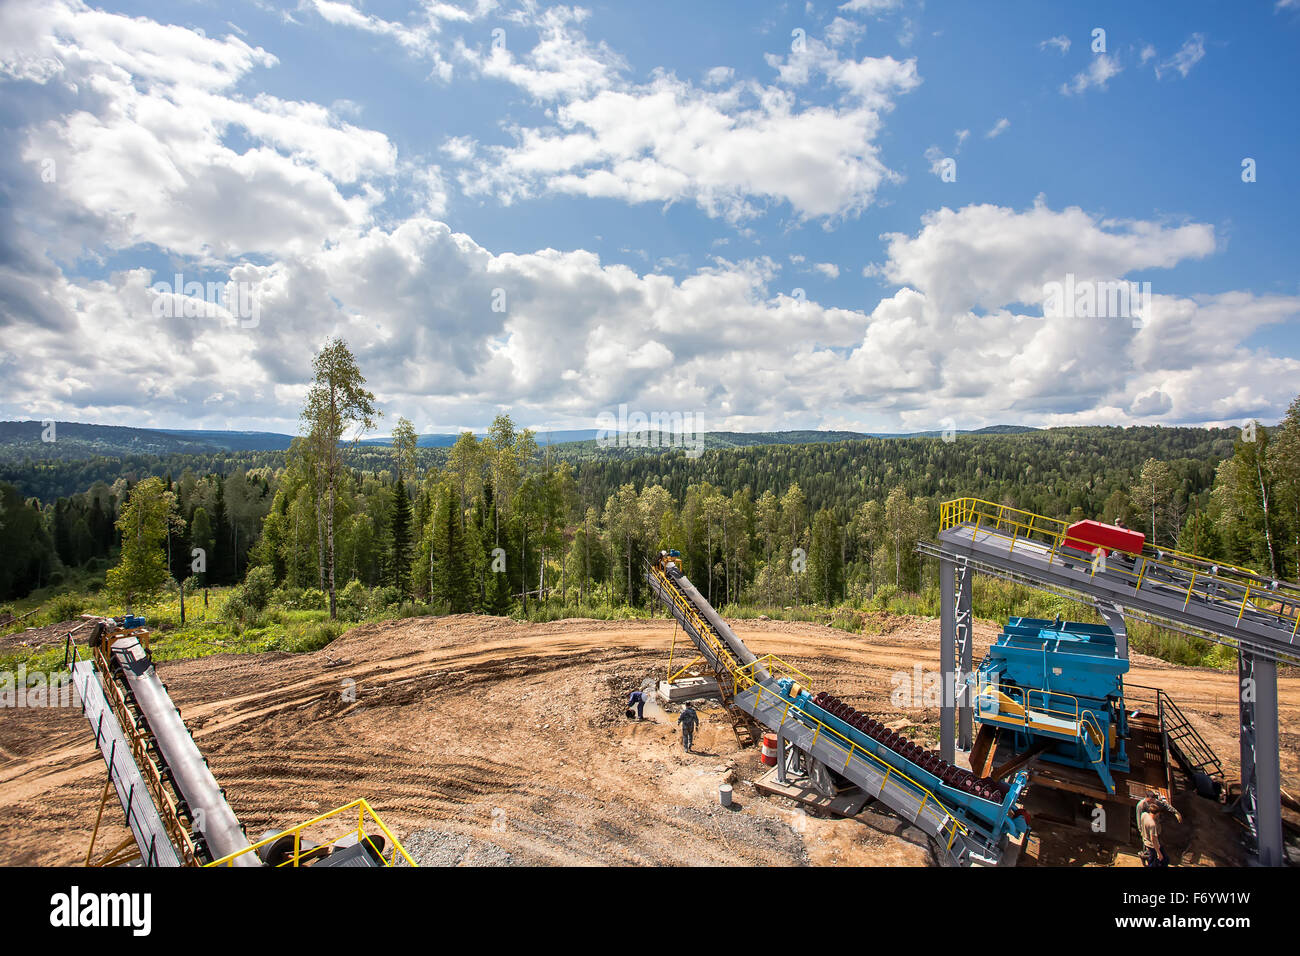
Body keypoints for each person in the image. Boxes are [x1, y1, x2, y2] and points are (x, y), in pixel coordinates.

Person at [1136, 791, 1182, 867]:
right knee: (1152, 856)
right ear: (1148, 798)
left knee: (1157, 857)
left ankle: (1148, 857)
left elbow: (1164, 805)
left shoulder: (1147, 812)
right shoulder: (1141, 806)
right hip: (1149, 836)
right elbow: (1139, 823)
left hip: (1155, 832)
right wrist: (1143, 835)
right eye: (1153, 800)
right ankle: (1144, 856)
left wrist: (1176, 812)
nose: (1154, 801)